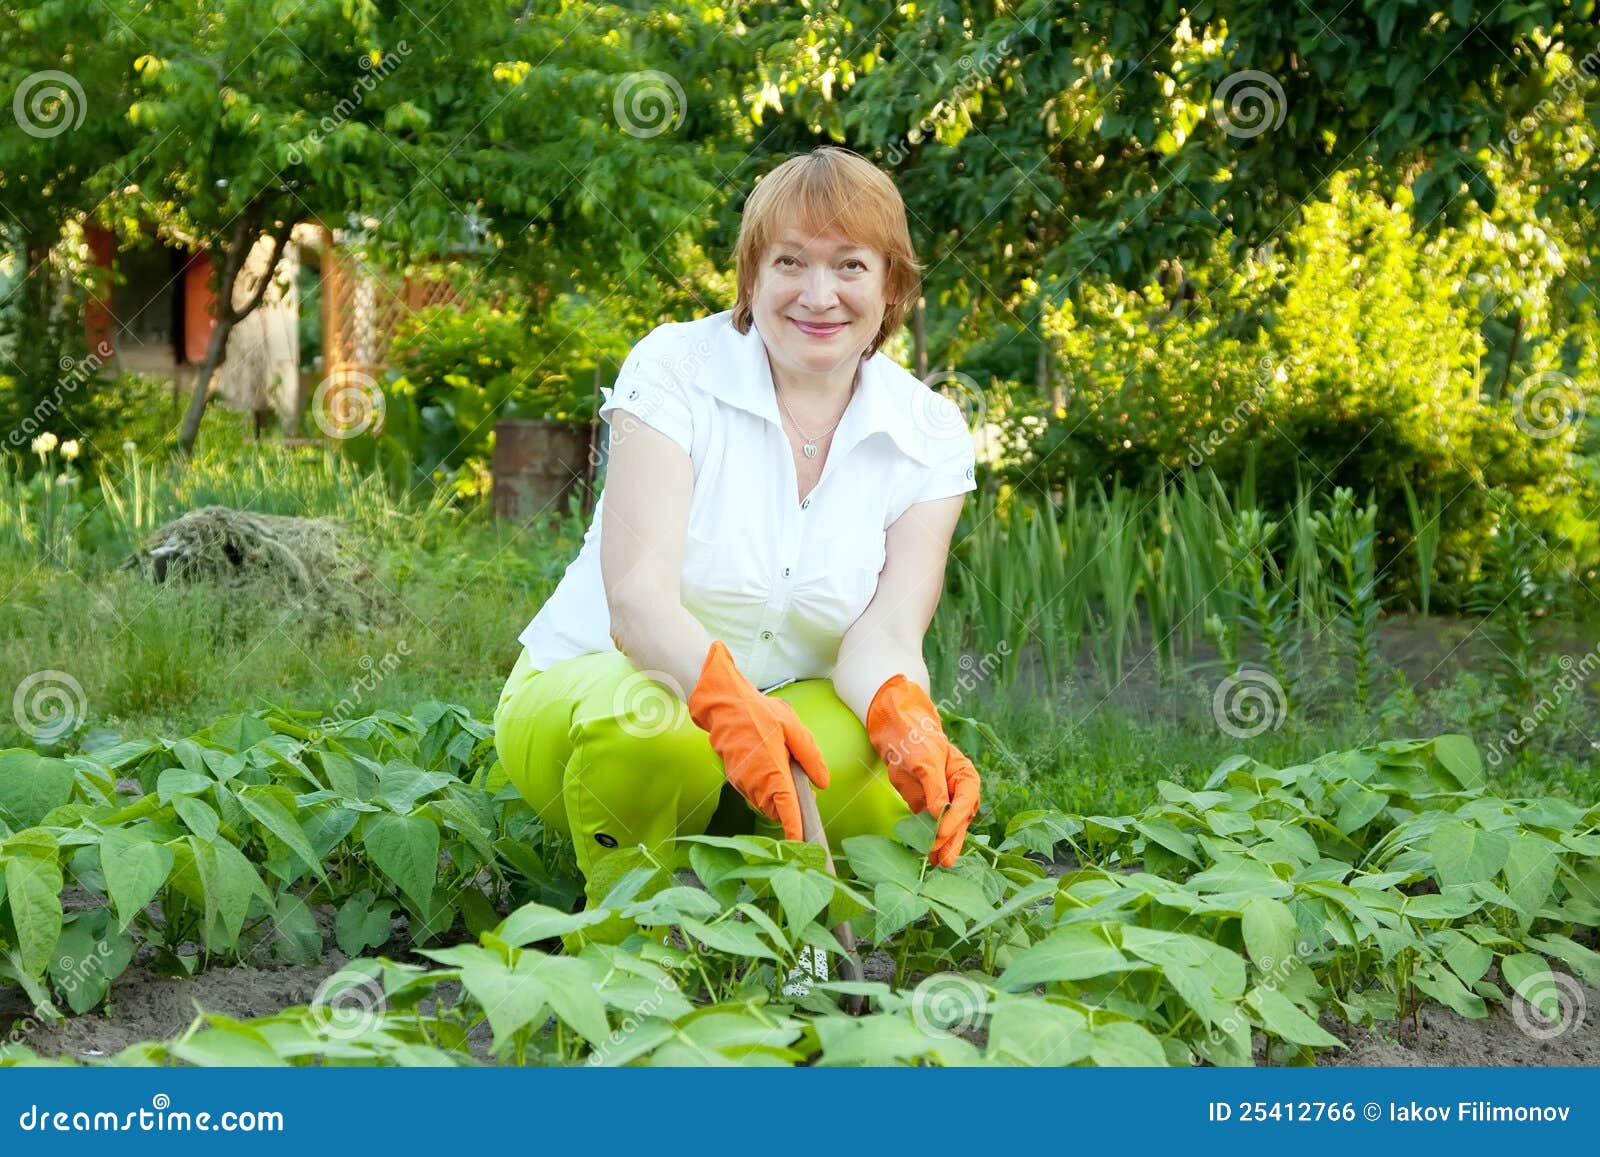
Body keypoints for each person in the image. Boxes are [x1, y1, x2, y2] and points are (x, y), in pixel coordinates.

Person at [493, 146, 982, 956]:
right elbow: (638, 601)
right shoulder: (677, 368)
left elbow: (887, 635)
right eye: (790, 261)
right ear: (751, 277)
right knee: (653, 728)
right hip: (609, 696)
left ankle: (811, 953)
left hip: (783, 713)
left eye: (850, 265)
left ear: (891, 285)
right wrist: (728, 703)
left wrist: (906, 713)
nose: (818, 294)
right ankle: (622, 951)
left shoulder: (927, 434)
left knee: (869, 756)